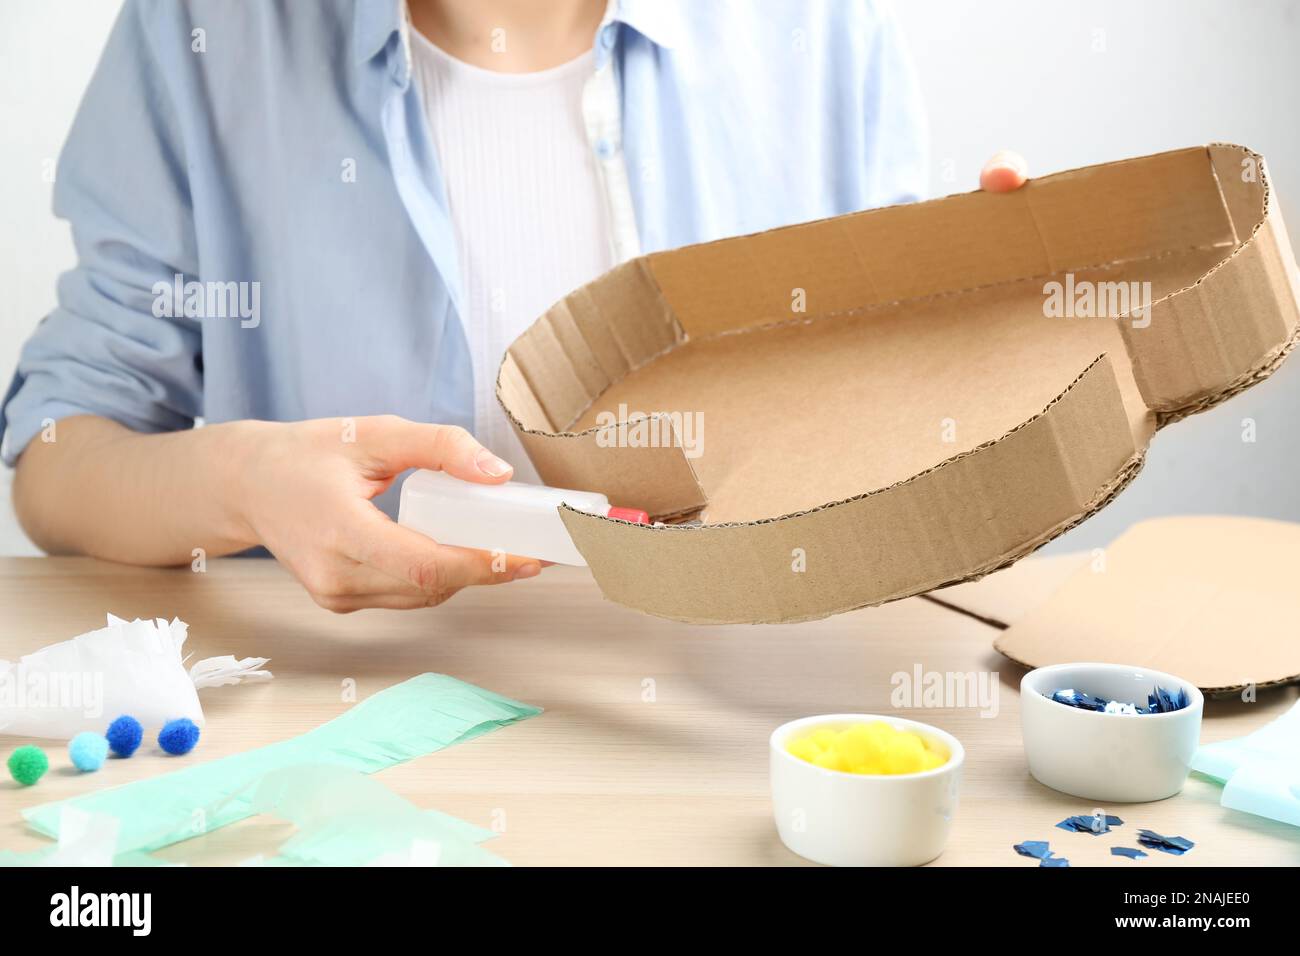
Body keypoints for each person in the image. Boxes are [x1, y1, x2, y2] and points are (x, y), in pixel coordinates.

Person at [3, 0, 1026, 612]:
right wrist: (244, 481)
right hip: (351, 739)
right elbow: (57, 457)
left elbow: (905, 428)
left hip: (749, 719)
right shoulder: (207, 31)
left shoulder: (810, 27)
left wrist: (984, 350)